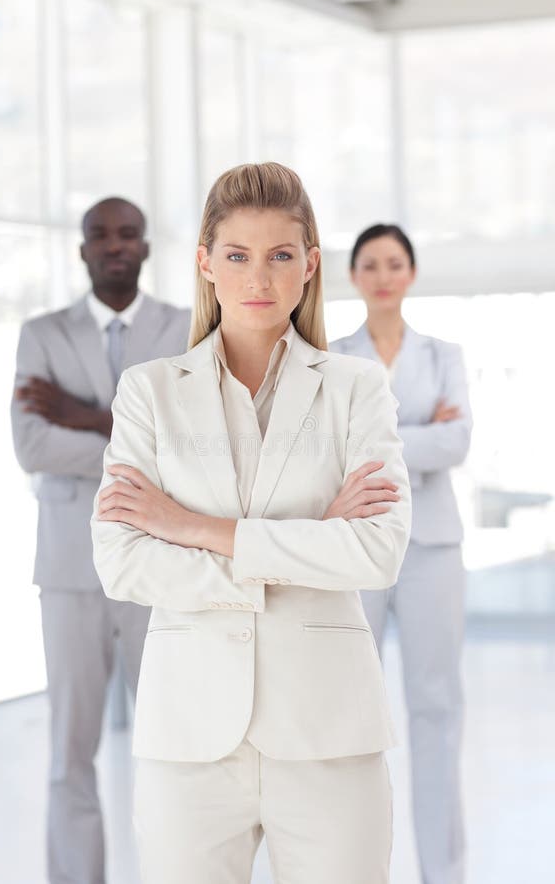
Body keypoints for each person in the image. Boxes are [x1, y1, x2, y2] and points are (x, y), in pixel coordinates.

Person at [91, 163, 411, 884]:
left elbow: (378, 552)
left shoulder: (357, 388)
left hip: (329, 731)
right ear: (206, 263)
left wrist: (191, 525)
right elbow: (123, 562)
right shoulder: (148, 393)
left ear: (310, 266)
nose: (257, 277)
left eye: (280, 255)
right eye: (236, 255)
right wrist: (309, 543)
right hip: (189, 735)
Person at [11, 196, 190, 884]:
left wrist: (85, 415)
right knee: (69, 753)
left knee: (173, 748)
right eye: (99, 235)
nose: (114, 245)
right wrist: (133, 441)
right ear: (82, 249)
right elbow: (31, 443)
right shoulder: (41, 333)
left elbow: (188, 444)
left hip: (159, 563)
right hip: (69, 570)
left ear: (145, 247)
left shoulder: (183, 329)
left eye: (128, 234)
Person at [331, 223, 472, 884]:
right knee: (354, 706)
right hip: (361, 543)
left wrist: (382, 446)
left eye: (395, 263)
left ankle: (445, 871)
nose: (383, 275)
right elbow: (332, 453)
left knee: (437, 705)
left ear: (410, 273)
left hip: (433, 547)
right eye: (370, 264)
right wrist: (421, 437)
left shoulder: (445, 355)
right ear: (354, 276)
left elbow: (458, 443)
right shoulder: (331, 357)